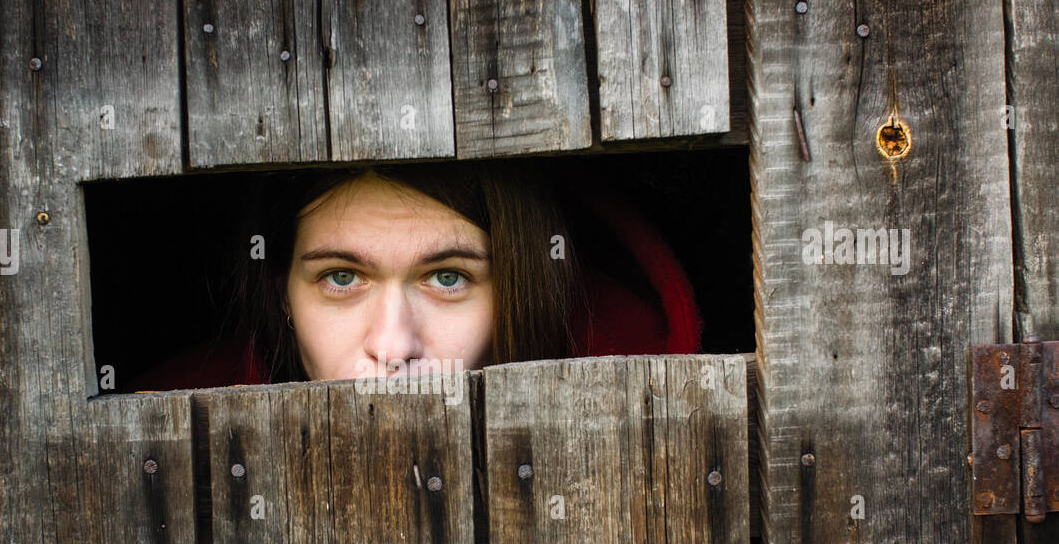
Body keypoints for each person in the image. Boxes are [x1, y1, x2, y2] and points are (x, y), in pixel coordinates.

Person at [127, 160, 701, 391]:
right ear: (282, 295)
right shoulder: (169, 423)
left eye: (448, 278)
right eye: (342, 278)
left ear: (518, 290)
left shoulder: (645, 419)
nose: (394, 347)